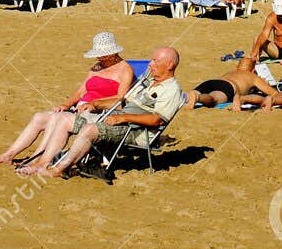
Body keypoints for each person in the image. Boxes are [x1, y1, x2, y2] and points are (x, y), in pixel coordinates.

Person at [0, 32, 135, 169]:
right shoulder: (96, 67)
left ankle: (37, 159)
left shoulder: (125, 70)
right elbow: (81, 91)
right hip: (78, 108)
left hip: (97, 113)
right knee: (39, 117)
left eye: (102, 55)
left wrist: (95, 104)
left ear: (114, 52)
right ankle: (9, 155)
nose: (99, 58)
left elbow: (120, 99)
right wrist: (66, 104)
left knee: (57, 118)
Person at [36, 46, 183, 179]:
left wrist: (124, 118)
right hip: (117, 119)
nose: (150, 64)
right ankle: (42, 163)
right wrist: (95, 103)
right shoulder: (147, 81)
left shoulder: (171, 90)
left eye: (155, 61)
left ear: (169, 65)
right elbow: (122, 101)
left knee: (90, 129)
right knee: (65, 119)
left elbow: (157, 120)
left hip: (135, 131)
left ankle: (59, 169)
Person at [190, 55, 277, 110]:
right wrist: (267, 84)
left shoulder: (230, 72)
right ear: (253, 70)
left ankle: (191, 95)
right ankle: (198, 98)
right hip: (228, 86)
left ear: (237, 66)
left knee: (188, 95)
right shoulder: (253, 76)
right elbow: (274, 93)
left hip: (212, 81)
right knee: (213, 99)